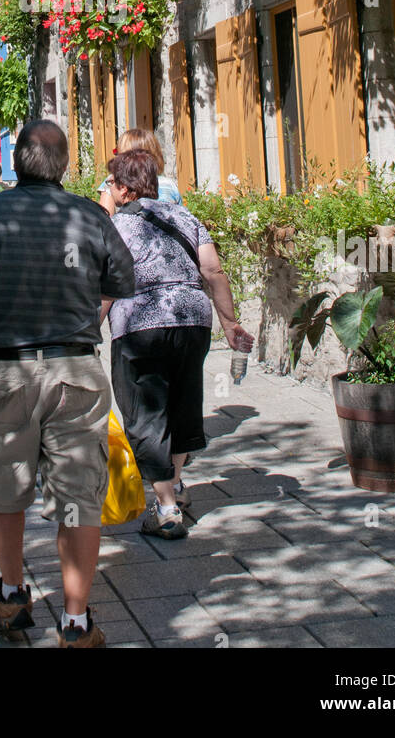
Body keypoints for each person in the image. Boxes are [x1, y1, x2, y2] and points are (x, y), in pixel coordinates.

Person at [0, 119, 135, 648]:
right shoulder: (91, 215)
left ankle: (11, 594)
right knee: (78, 496)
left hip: (6, 368)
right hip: (76, 369)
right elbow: (121, 281)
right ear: (65, 165)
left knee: (3, 487)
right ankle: (75, 622)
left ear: (15, 162)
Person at [106, 149, 254, 541]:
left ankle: (167, 508)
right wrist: (230, 323)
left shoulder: (116, 226)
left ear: (123, 188)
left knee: (144, 410)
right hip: (191, 318)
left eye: (111, 183)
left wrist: (87, 329)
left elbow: (107, 284)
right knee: (182, 402)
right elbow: (213, 271)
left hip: (140, 323)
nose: (109, 190)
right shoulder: (186, 217)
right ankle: (176, 484)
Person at [99, 128, 181, 216]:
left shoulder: (113, 182)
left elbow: (103, 220)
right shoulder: (169, 184)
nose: (115, 157)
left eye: (117, 152)